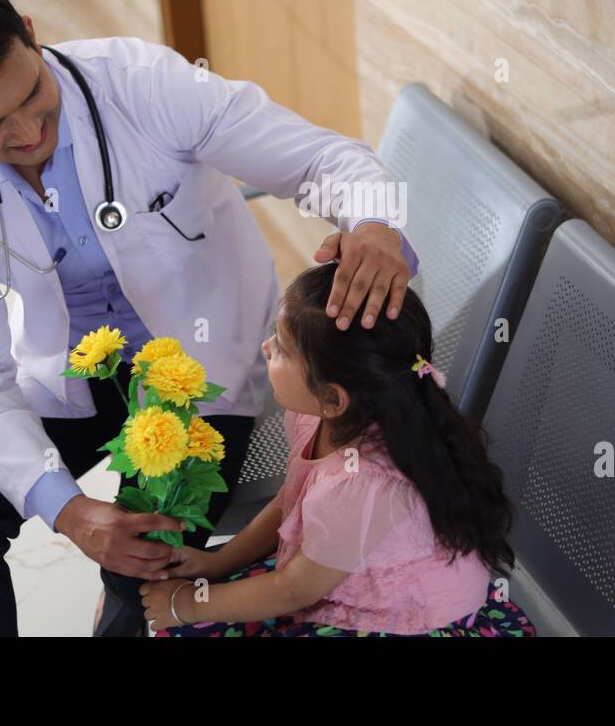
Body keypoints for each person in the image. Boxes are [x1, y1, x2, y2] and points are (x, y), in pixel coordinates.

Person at [0, 0, 419, 635]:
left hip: (197, 371)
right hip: (73, 373)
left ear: (29, 33)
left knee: (142, 571)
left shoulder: (141, 85)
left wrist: (372, 223)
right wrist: (71, 511)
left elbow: (319, 159)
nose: (25, 134)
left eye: (35, 98)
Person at [139, 262, 536, 636]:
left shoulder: (361, 485)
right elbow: (290, 501)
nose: (265, 349)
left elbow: (294, 591)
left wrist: (186, 605)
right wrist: (218, 562)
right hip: (327, 576)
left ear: (333, 397)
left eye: (281, 349)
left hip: (402, 619)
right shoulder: (320, 416)